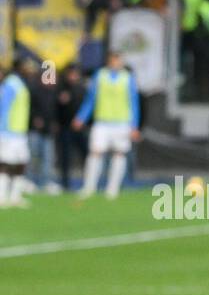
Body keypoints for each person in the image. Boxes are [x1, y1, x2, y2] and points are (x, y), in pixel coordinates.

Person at [72, 51, 140, 199]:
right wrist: (81, 117)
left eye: (118, 60)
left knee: (119, 153)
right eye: (113, 60)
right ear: (109, 61)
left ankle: (112, 188)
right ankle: (89, 187)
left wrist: (134, 125)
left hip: (122, 122)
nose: (115, 63)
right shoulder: (100, 76)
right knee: (95, 152)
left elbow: (134, 102)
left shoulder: (128, 78)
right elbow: (91, 98)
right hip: (102, 121)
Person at [0, 60, 32, 208]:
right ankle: (2, 196)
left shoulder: (19, 84)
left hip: (19, 131)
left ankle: (15, 196)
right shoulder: (11, 84)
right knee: (5, 163)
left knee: (21, 163)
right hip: (8, 132)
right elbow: (3, 107)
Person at [26, 59, 58, 193]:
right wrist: (35, 119)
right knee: (32, 156)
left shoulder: (54, 91)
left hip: (48, 130)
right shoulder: (34, 89)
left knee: (48, 158)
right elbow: (29, 108)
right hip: (35, 130)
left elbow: (56, 111)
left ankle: (46, 182)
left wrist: (55, 123)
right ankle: (29, 181)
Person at [55, 66, 87, 191]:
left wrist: (84, 122)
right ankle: (65, 183)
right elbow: (56, 108)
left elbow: (87, 106)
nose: (73, 77)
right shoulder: (61, 89)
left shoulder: (82, 89)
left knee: (87, 155)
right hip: (65, 128)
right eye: (71, 74)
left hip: (80, 128)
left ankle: (88, 181)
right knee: (65, 157)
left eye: (75, 74)